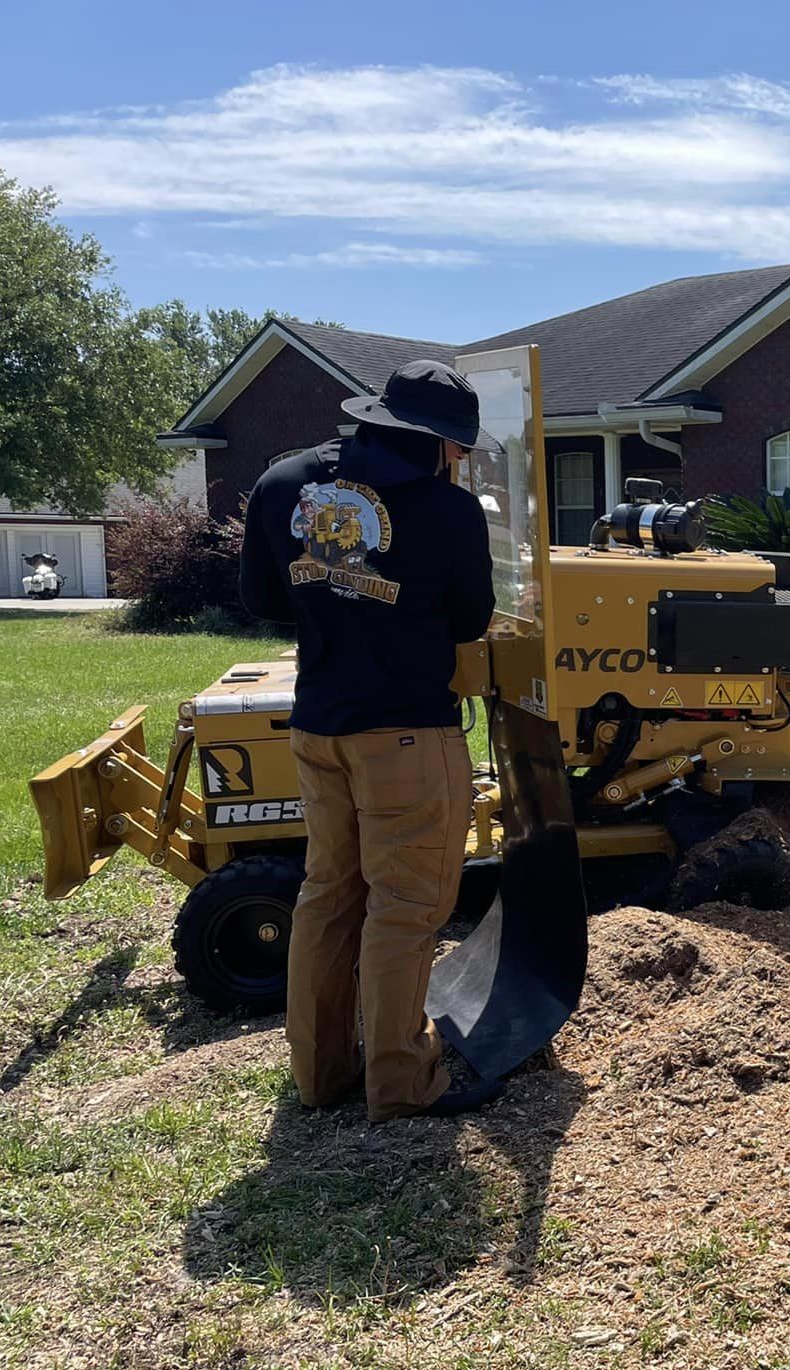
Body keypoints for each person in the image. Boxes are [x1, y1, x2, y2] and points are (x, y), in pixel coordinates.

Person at [239, 360, 502, 1121]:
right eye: (456, 446)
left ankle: (321, 1076)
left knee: (327, 896)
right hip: (409, 737)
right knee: (407, 906)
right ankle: (401, 1083)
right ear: (435, 442)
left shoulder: (284, 480)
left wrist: (334, 597)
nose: (458, 459)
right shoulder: (448, 510)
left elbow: (261, 597)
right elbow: (467, 622)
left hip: (318, 726)